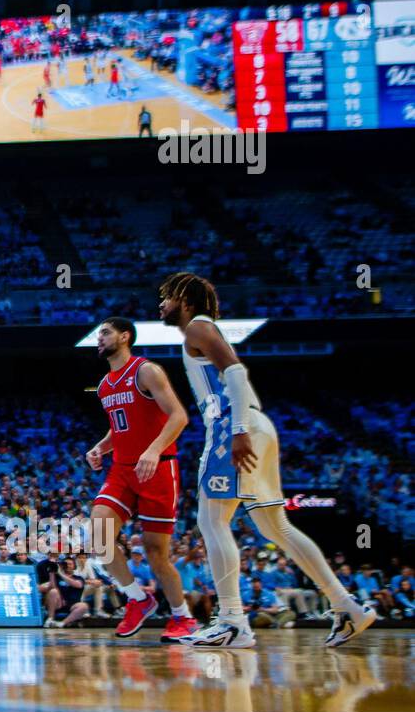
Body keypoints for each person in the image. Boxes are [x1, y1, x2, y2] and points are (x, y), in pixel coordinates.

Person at [159, 272, 376, 648]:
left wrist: (238, 429)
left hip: (234, 425)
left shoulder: (196, 327)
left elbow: (237, 373)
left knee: (211, 521)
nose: (161, 304)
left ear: (186, 302)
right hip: (255, 425)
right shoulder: (200, 330)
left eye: (166, 298)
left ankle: (231, 621)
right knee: (277, 529)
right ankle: (347, 606)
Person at [83, 317, 197, 641]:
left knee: (156, 553)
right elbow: (120, 426)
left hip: (158, 467)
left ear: (125, 336)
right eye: (98, 334)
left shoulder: (146, 371)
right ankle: (137, 598)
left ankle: (182, 617)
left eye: (105, 332)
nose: (100, 338)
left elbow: (179, 416)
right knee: (99, 536)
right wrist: (100, 447)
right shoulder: (105, 385)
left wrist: (153, 450)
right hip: (122, 469)